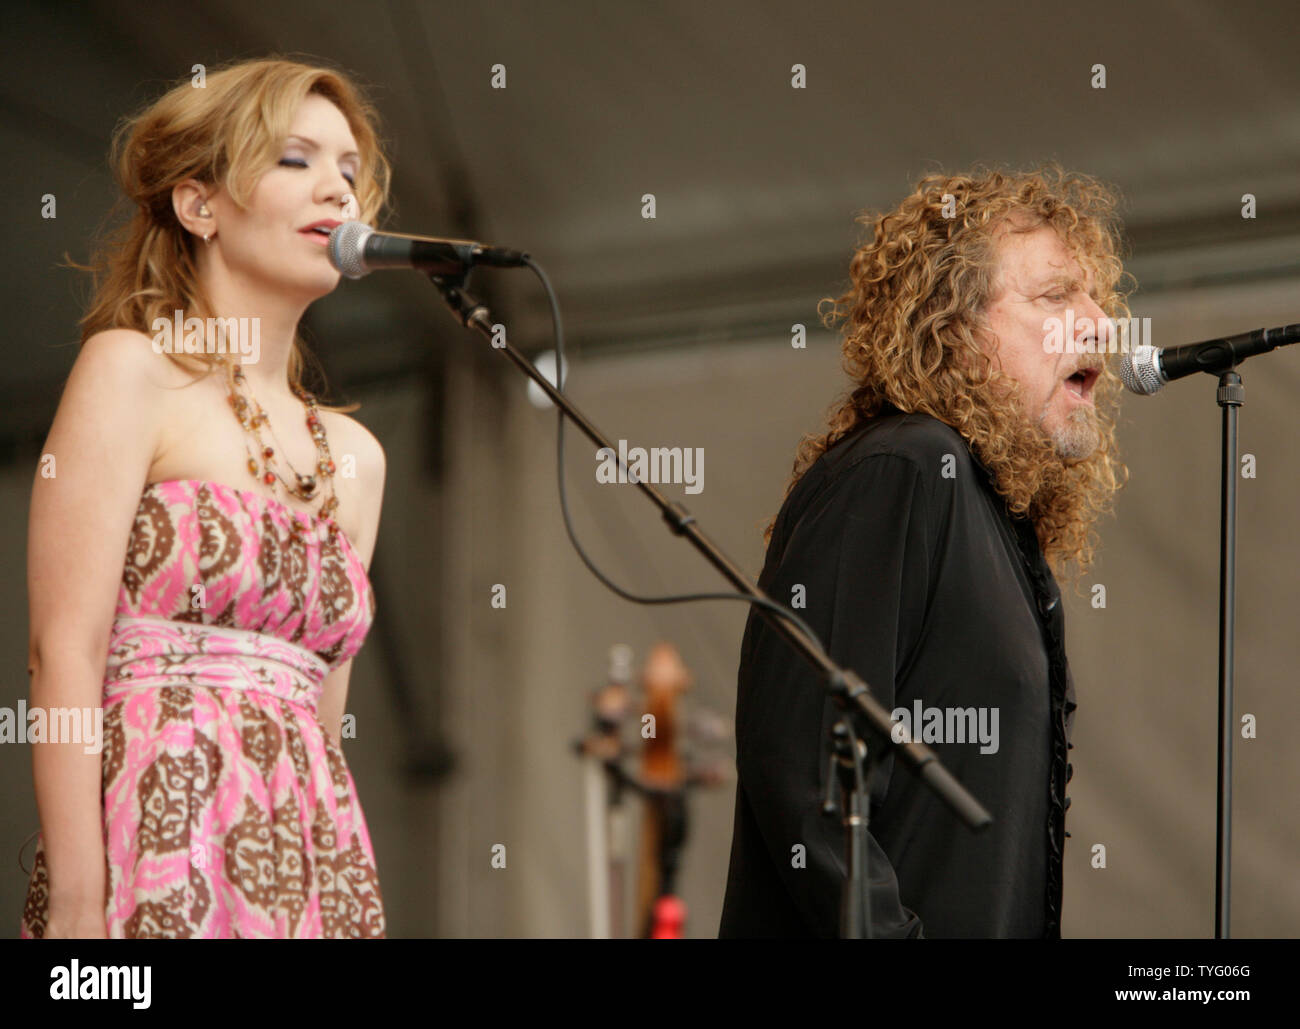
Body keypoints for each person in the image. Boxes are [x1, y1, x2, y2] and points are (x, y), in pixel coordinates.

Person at [19, 57, 392, 938]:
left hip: (311, 856)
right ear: (199, 206)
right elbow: (61, 648)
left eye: (349, 170)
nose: (335, 191)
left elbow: (324, 719)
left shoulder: (357, 458)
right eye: (296, 159)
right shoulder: (131, 372)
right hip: (155, 838)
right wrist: (78, 898)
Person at [718, 165, 1131, 938]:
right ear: (953, 325)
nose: (1099, 324)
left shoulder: (996, 513)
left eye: (1096, 298)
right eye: (1055, 297)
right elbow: (804, 773)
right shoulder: (902, 469)